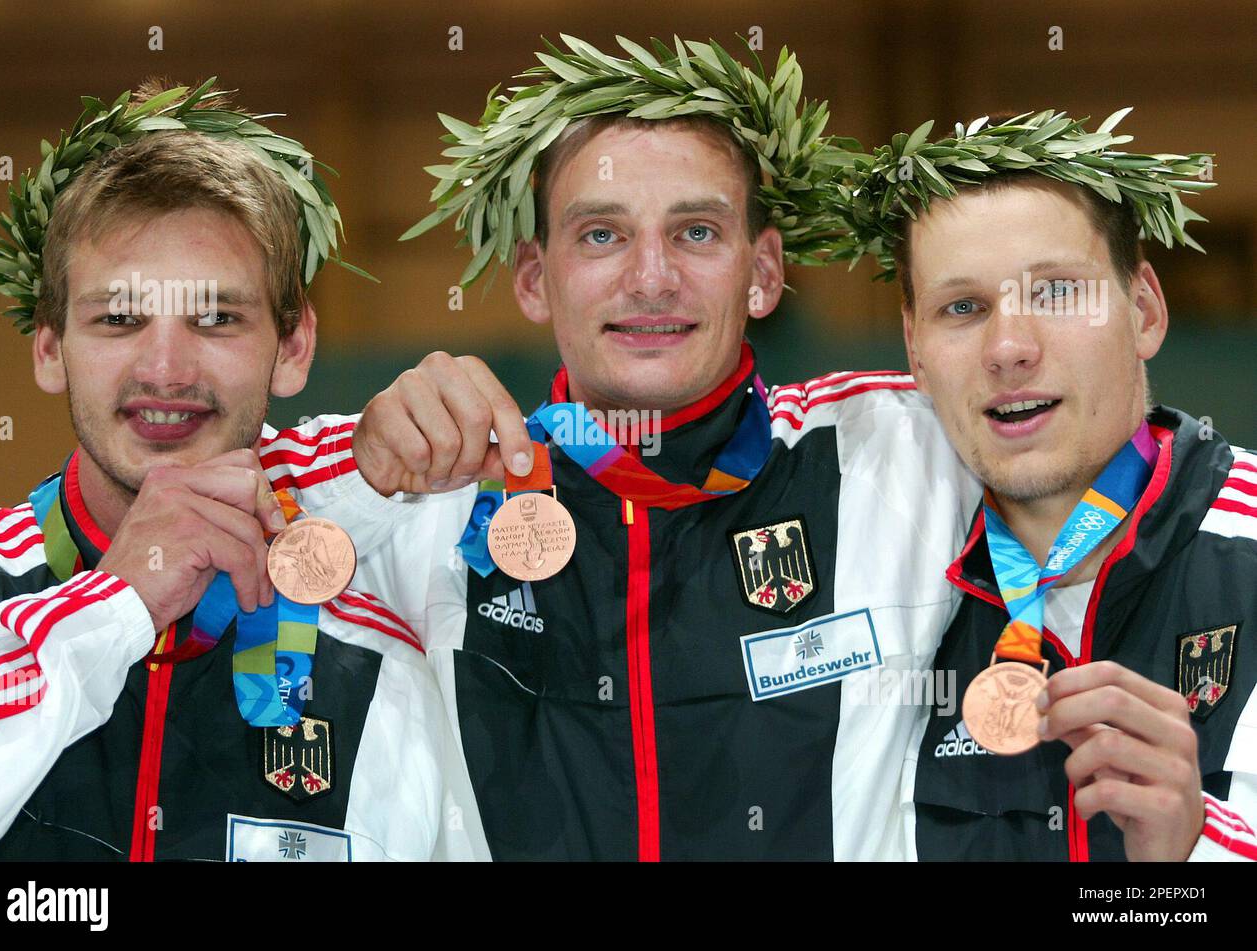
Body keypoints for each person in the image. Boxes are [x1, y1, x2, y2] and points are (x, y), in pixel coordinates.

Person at [333, 34, 980, 860]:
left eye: (698, 233)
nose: (651, 278)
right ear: (536, 277)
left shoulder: (901, 452)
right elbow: (223, 496)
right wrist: (369, 459)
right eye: (602, 235)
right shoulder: (434, 492)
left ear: (764, 273)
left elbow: (1106, 446)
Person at [0, 79, 482, 861]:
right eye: (118, 317)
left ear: (294, 346)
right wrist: (114, 601)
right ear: (47, 345)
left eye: (215, 318)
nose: (166, 368)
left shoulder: (394, 641)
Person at [833, 110, 1257, 860]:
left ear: (1145, 311)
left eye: (1057, 292)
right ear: (916, 352)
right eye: (962, 308)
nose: (1008, 349)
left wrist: (1193, 852)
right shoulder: (885, 584)